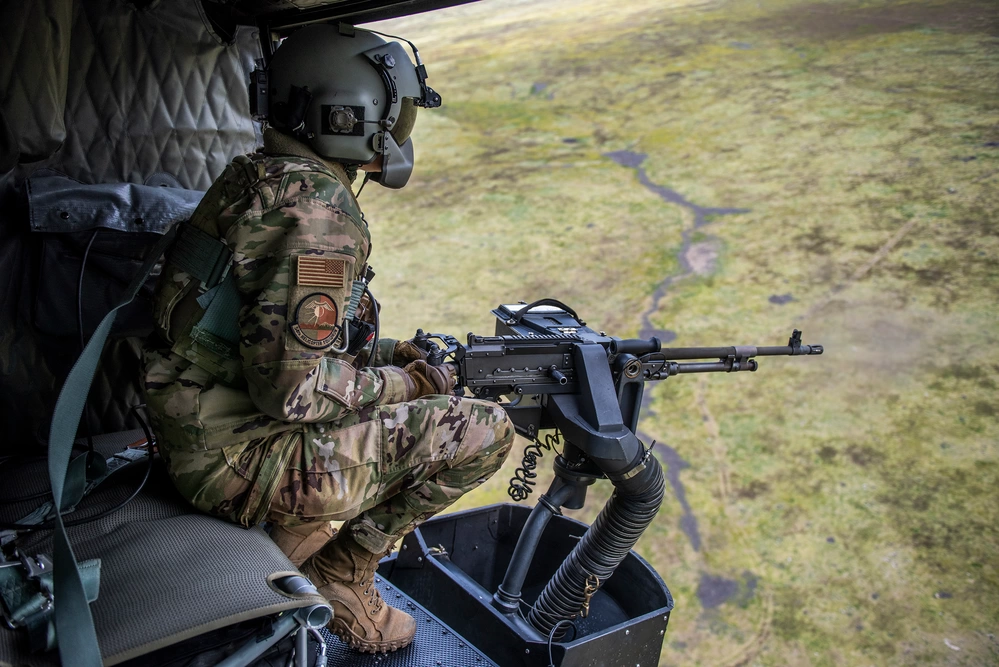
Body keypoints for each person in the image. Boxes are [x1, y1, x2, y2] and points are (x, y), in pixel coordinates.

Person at [142, 23, 515, 654]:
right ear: (351, 113)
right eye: (396, 117)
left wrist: (388, 354)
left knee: (399, 398)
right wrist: (412, 384)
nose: (399, 134)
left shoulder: (261, 179)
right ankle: (342, 574)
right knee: (482, 431)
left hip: (197, 429)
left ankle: (303, 532)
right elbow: (292, 394)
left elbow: (262, 336)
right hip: (238, 459)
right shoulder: (319, 220)